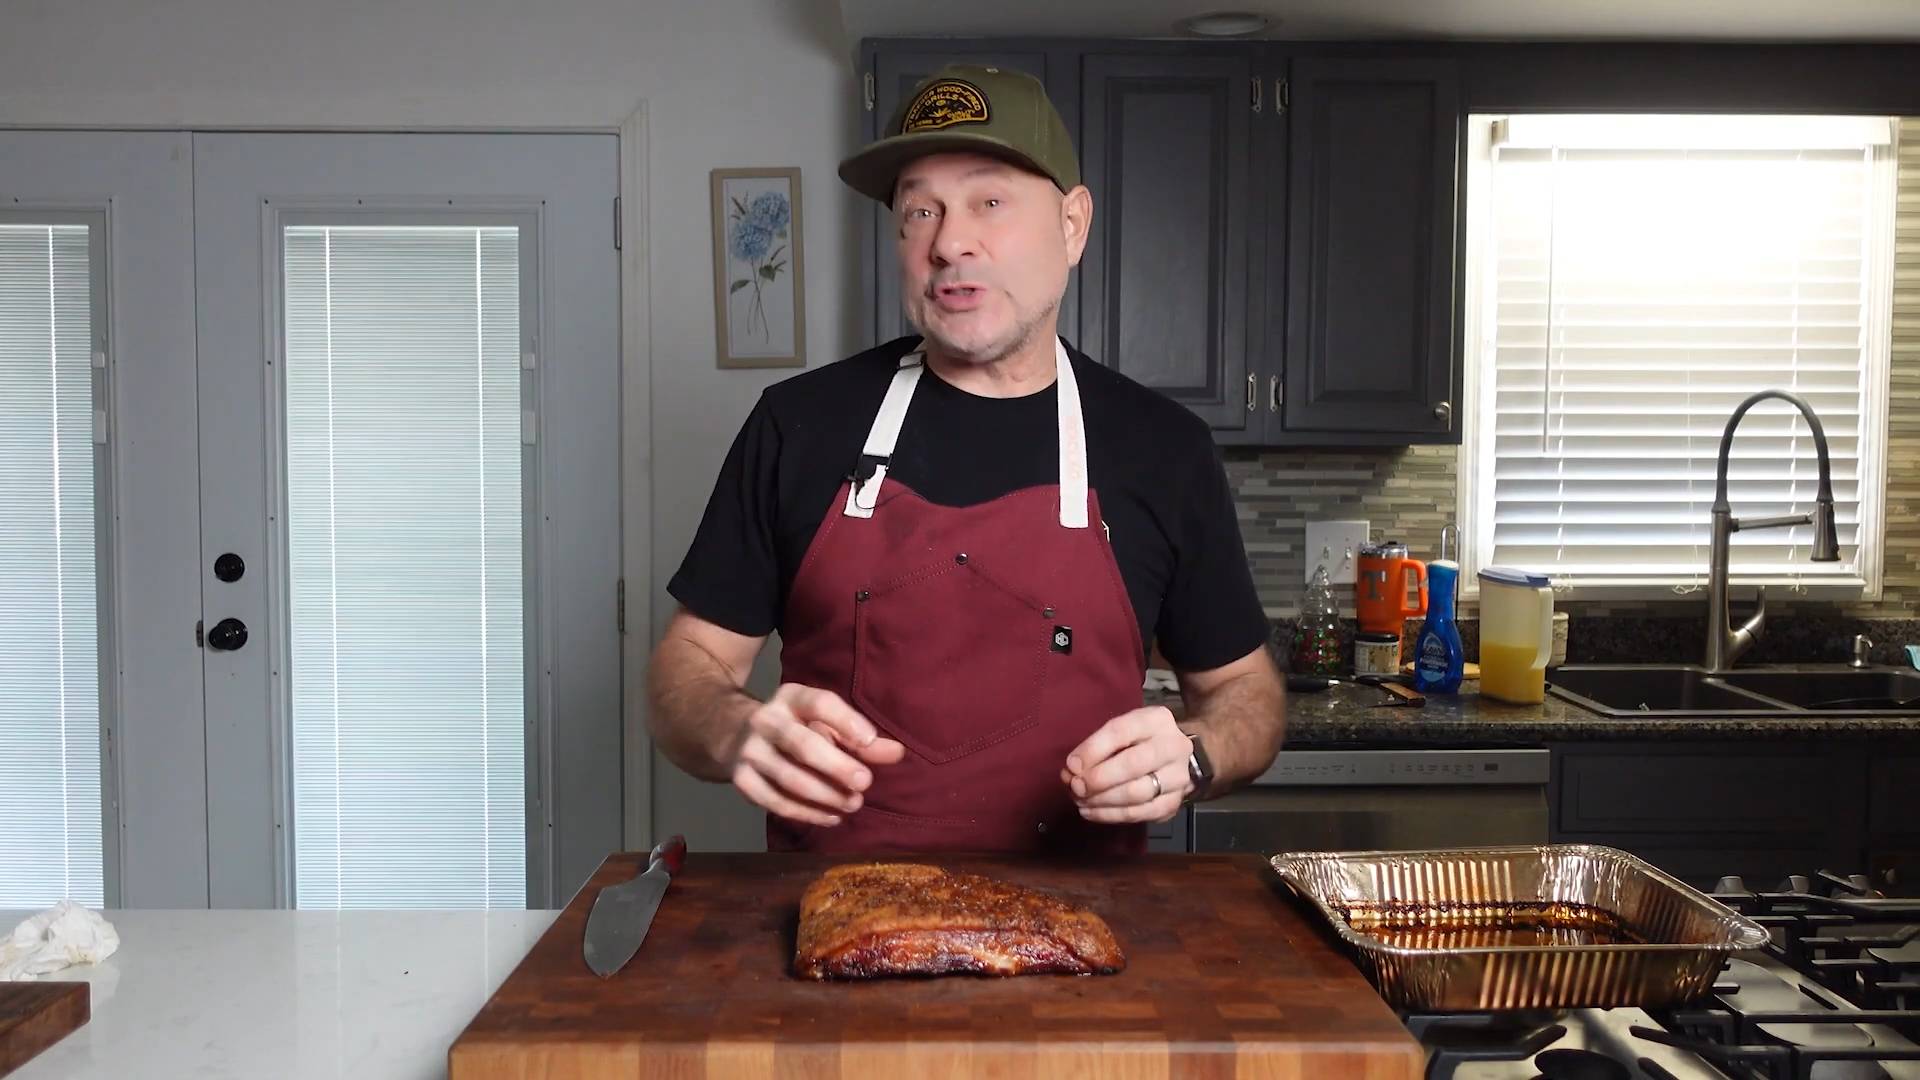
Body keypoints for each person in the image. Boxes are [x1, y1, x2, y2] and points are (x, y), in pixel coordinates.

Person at [648, 64, 1285, 854]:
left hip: (1084, 922)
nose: (949, 243)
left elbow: (1246, 693)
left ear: (1073, 225)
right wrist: (733, 727)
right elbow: (688, 667)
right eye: (920, 211)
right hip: (831, 912)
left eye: (990, 202)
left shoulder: (1163, 449)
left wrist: (1197, 752)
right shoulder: (798, 425)